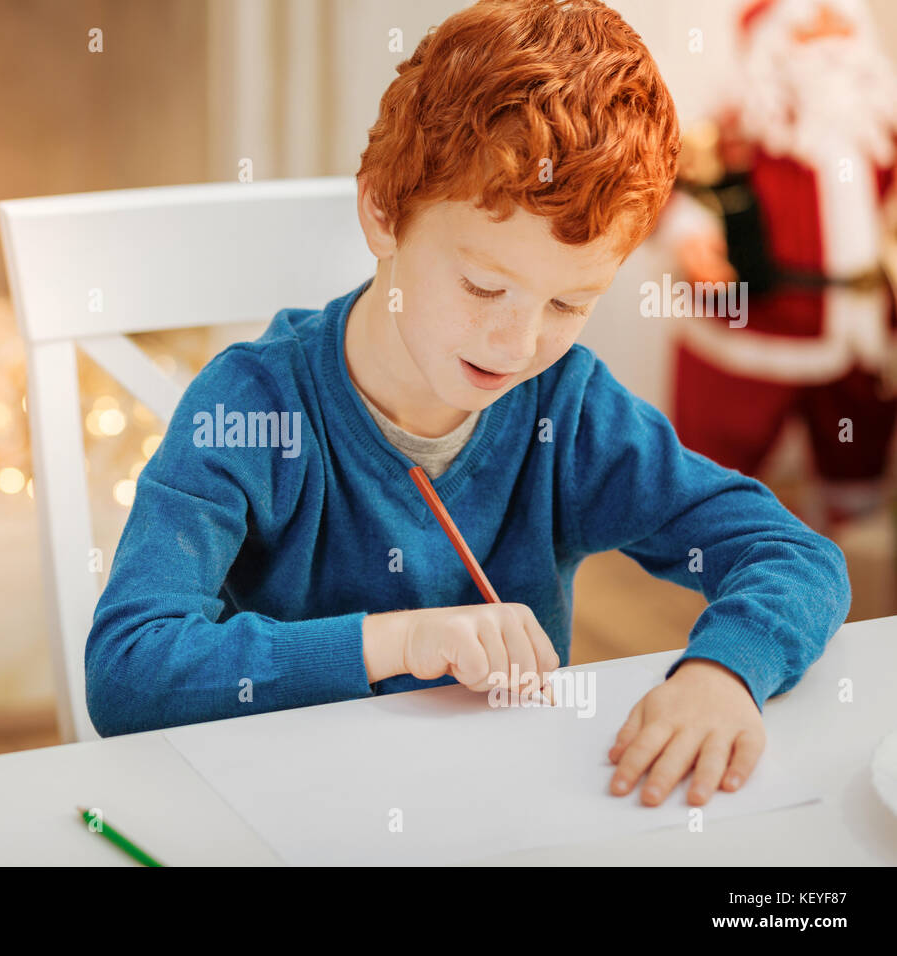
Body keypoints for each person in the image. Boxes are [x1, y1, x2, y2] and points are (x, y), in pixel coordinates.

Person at [86, 0, 850, 810]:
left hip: (496, 814)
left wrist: (723, 670)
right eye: (485, 286)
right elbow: (130, 671)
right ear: (383, 211)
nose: (516, 344)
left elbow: (794, 555)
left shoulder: (568, 411)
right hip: (279, 816)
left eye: (568, 305)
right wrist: (397, 640)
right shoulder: (249, 407)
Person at [661, 0, 897, 533]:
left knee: (854, 454)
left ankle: (843, 547)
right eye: (809, 26)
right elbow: (686, 184)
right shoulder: (740, 127)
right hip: (758, 321)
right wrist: (689, 233)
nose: (828, 37)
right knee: (722, 455)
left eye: (840, 22)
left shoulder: (879, 124)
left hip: (858, 328)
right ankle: (715, 546)